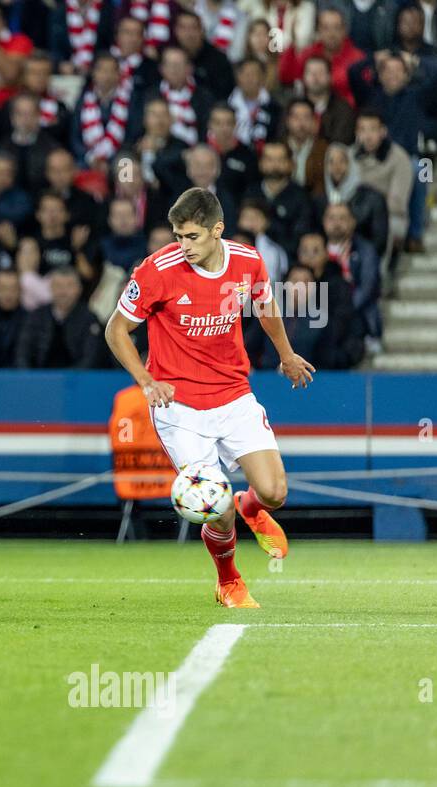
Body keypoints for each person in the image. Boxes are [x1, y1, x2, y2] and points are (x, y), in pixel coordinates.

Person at [104, 187, 316, 609]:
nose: (183, 247)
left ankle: (251, 506)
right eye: (178, 236)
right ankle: (229, 581)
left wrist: (287, 355)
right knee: (214, 507)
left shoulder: (247, 261)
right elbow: (115, 331)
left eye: (193, 237)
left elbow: (265, 305)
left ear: (217, 230)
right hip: (179, 408)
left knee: (274, 492)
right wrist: (146, 380)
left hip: (234, 395)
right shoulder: (156, 271)